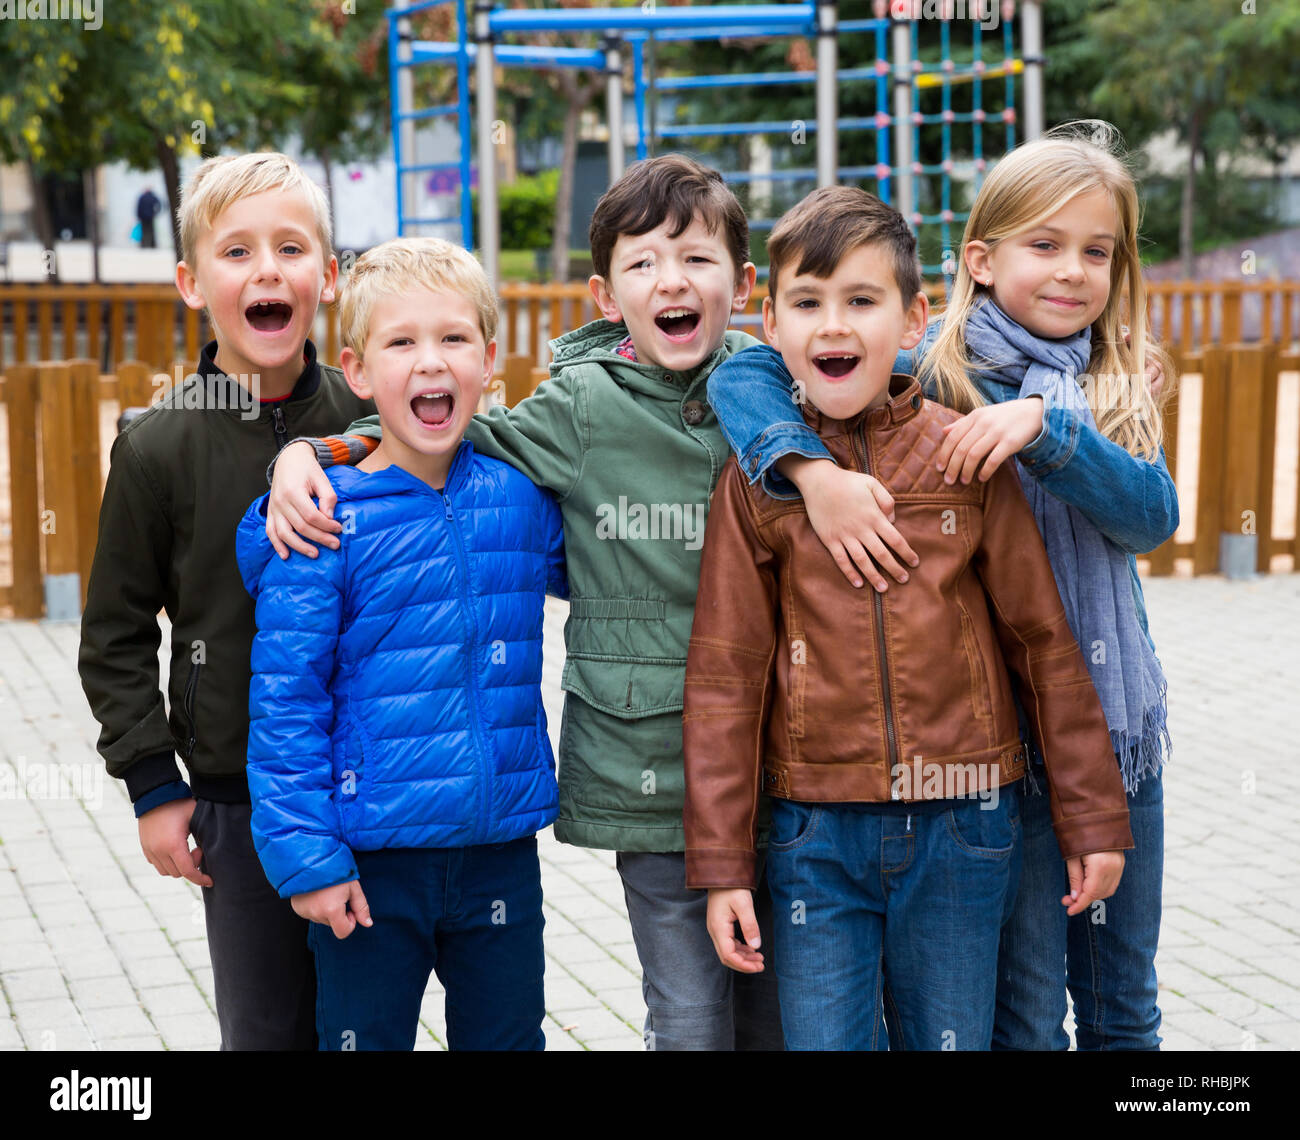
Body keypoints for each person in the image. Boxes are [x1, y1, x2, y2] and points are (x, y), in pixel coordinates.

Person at [259, 155, 786, 1051]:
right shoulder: (572, 412)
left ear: (743, 283)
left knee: (793, 1018)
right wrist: (310, 455)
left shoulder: (775, 384)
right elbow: (445, 439)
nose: (673, 280)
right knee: (690, 1018)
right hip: (639, 779)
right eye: (645, 263)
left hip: (780, 763)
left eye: (697, 259)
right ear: (605, 294)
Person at [705, 121, 1177, 1050]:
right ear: (981, 259)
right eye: (1043, 244)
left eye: (1096, 251)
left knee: (1122, 1002)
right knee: (1024, 1016)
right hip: (980, 766)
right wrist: (811, 474)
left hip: (1101, 733)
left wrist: (1047, 428)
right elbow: (758, 367)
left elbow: (1150, 518)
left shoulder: (1118, 384)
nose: (1071, 270)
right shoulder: (931, 370)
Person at [234, 237, 566, 1051]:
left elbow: (618, 574)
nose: (431, 362)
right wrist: (309, 859)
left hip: (499, 853)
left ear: (489, 361)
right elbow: (286, 703)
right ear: (357, 369)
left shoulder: (522, 499)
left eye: (454, 339)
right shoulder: (320, 520)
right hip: (370, 863)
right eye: (402, 342)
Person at [79, 152, 374, 1050]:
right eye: (236, 252)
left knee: (366, 1022)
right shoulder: (157, 447)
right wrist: (152, 787)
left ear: (327, 275)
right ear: (191, 283)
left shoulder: (375, 425)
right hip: (233, 798)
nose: (266, 270)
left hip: (371, 780)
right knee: (268, 1028)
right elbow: (116, 636)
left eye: (290, 249)